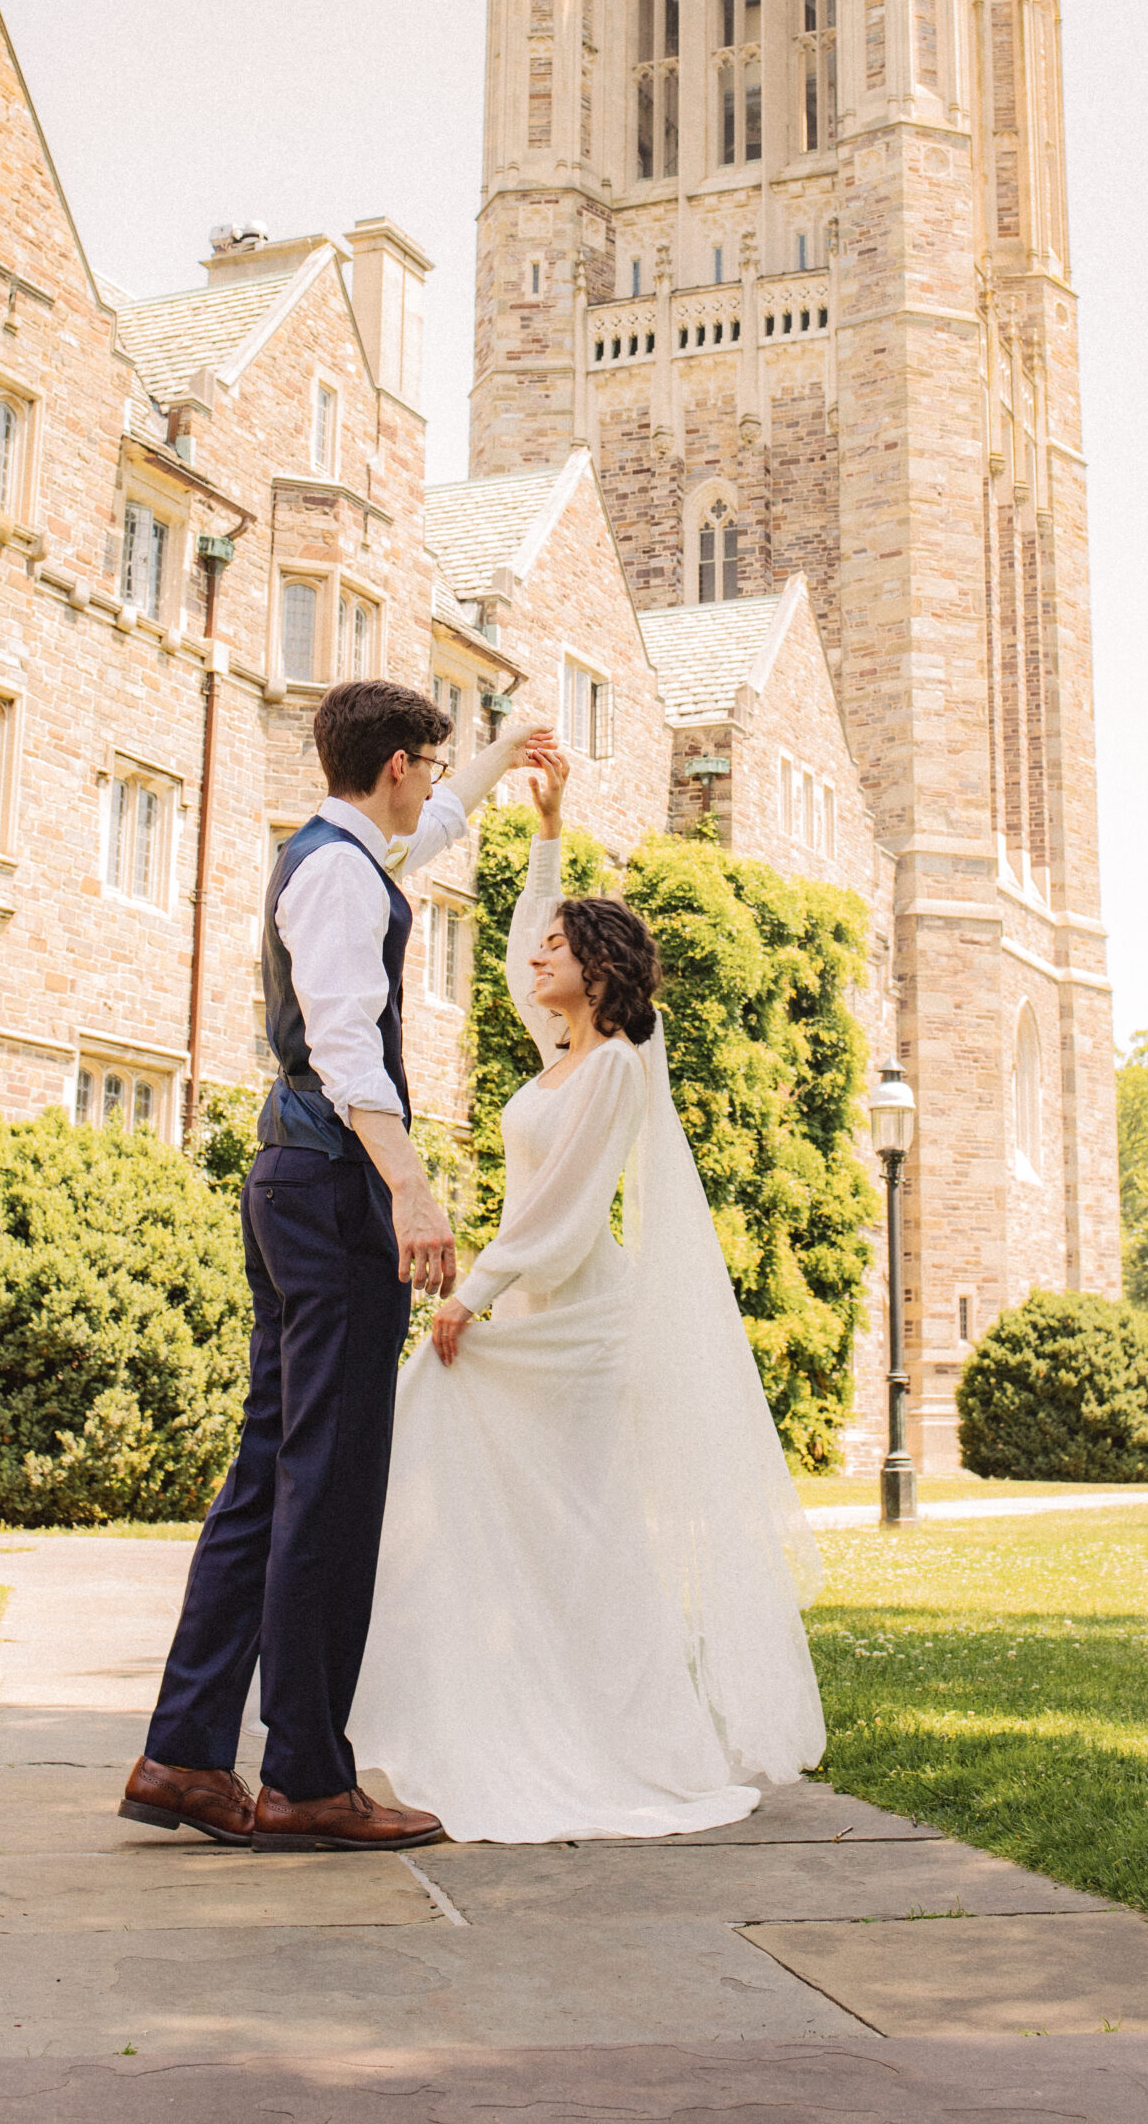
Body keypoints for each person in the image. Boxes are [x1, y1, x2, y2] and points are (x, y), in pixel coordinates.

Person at [348, 748, 827, 1843]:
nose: (540, 959)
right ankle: (473, 1708)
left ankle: (609, 1734)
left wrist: (471, 1293)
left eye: (563, 946)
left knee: (581, 1535)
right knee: (511, 1519)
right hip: (532, 1309)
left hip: (572, 1320)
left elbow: (562, 1216)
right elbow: (519, 949)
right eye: (548, 943)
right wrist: (550, 827)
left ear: (599, 971)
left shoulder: (613, 1070)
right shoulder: (556, 1056)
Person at [123, 679, 553, 1853]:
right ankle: (308, 1773)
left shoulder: (349, 856)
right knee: (331, 1476)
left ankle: (185, 1756)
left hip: (298, 1183)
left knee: (272, 1466)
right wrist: (409, 1184)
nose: (433, 788)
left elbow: (435, 831)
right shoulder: (335, 874)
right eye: (436, 766)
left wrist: (506, 758)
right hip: (331, 1186)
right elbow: (348, 1041)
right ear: (401, 763)